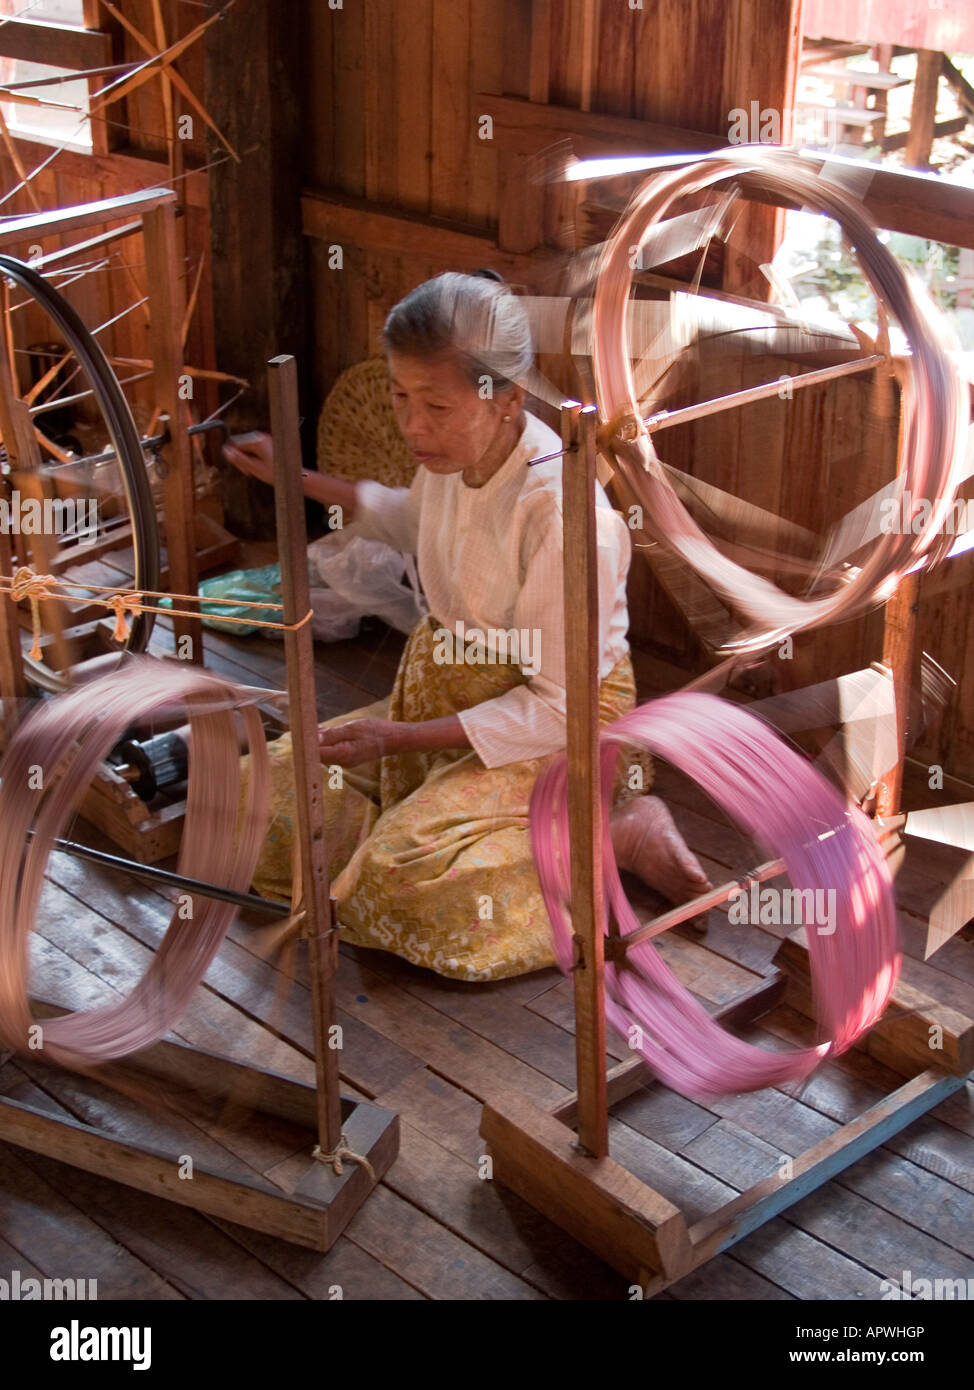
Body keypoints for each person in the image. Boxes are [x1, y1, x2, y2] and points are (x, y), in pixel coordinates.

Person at [221, 270, 711, 982]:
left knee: (403, 885)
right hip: (445, 707)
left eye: (435, 406)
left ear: (506, 398)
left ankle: (616, 834)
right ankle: (422, 826)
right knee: (251, 794)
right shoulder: (452, 454)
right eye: (400, 398)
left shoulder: (563, 516)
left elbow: (556, 704)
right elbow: (408, 518)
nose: (413, 426)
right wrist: (290, 477)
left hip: (560, 733)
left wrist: (396, 737)